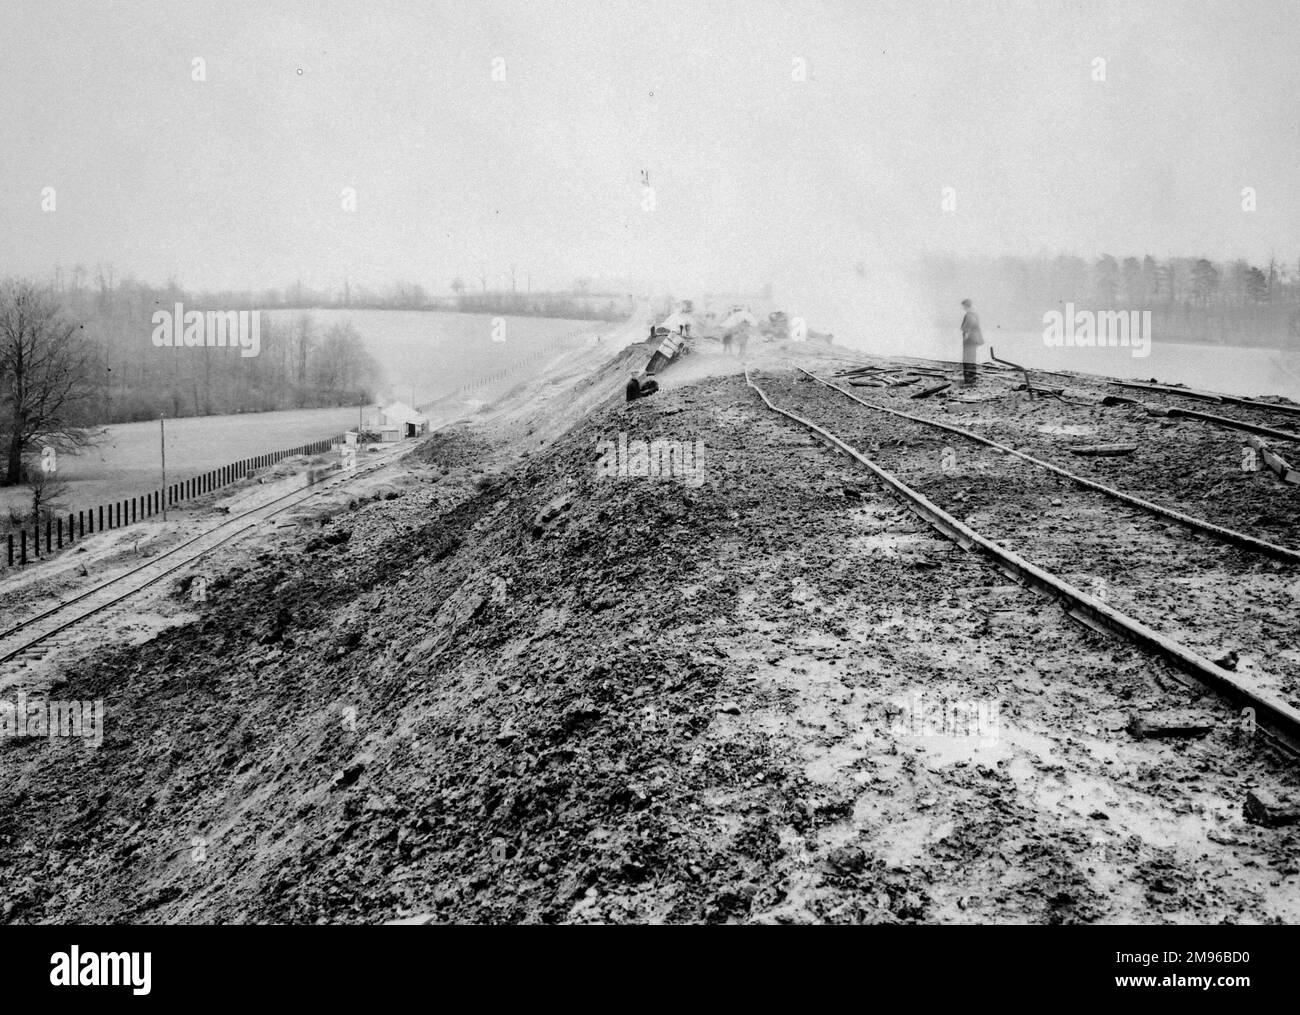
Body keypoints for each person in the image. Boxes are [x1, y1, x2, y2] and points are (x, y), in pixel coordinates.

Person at [960, 299, 983, 384]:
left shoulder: (969, 315)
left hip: (969, 341)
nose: (963, 308)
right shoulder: (975, 314)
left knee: (967, 359)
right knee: (972, 359)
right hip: (974, 340)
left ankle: (969, 380)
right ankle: (972, 379)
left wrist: (966, 336)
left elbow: (966, 329)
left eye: (964, 306)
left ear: (966, 306)